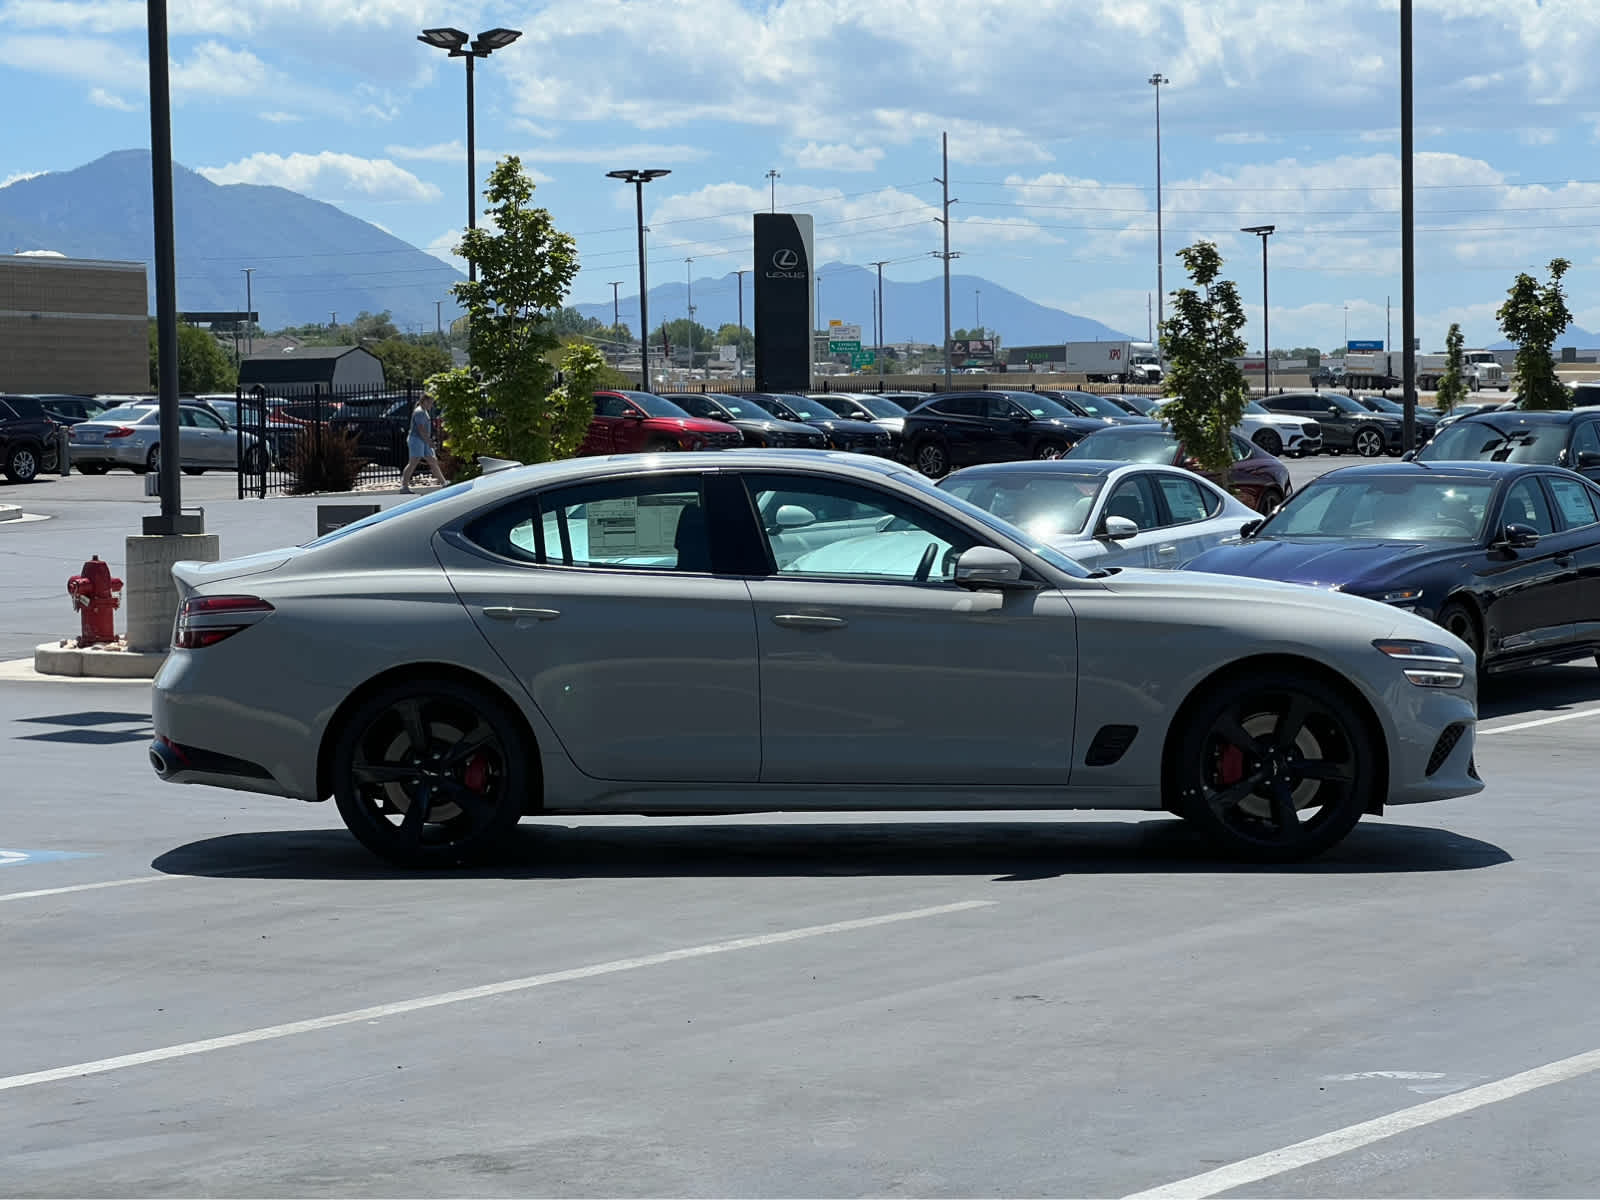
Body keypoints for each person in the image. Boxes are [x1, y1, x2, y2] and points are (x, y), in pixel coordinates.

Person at [399, 393, 447, 493]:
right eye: (430, 402)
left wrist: (427, 441)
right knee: (413, 462)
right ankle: (404, 486)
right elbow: (421, 430)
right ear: (424, 401)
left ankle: (444, 483)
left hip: (423, 440)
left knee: (432, 460)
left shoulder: (424, 411)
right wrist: (429, 441)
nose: (431, 405)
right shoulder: (419, 412)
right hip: (416, 440)